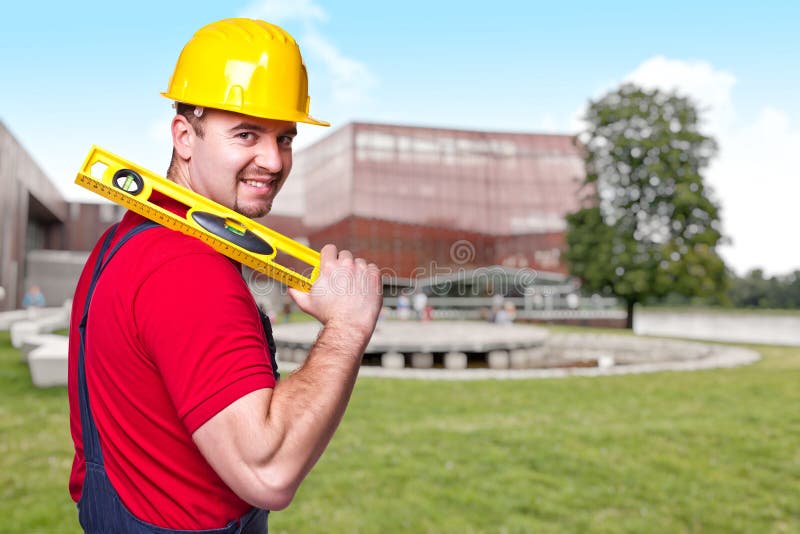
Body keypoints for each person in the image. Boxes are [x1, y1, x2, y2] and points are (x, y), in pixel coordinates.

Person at [67, 18, 382, 533]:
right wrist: (347, 326)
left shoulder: (128, 239)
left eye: (284, 138)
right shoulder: (187, 268)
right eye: (246, 134)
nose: (273, 160)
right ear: (184, 136)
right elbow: (268, 471)